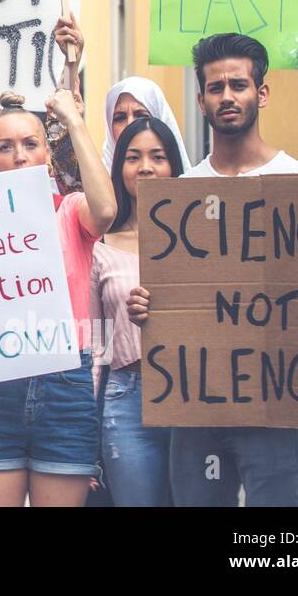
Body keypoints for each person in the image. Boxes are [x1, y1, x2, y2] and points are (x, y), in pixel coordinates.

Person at [127, 33, 298, 507]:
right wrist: (145, 307)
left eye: (238, 85)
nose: (227, 97)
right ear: (201, 100)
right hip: (198, 412)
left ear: (261, 93)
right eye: (215, 88)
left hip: (275, 412)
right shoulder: (180, 195)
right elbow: (171, 298)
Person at [0, 88, 117, 507]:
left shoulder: (71, 211)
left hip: (64, 386)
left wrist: (74, 121)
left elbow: (107, 210)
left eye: (30, 144)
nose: (20, 156)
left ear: (46, 151)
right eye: (5, 148)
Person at [91, 117, 186, 506]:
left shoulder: (205, 241)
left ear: (173, 167)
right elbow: (98, 345)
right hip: (125, 399)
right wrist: (85, 432)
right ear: (119, 168)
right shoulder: (101, 246)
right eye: (133, 157)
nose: (145, 166)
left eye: (157, 157)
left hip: (193, 399)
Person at [100, 76, 192, 172]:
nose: (130, 124)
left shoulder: (188, 183)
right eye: (120, 118)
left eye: (141, 116)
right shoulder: (92, 181)